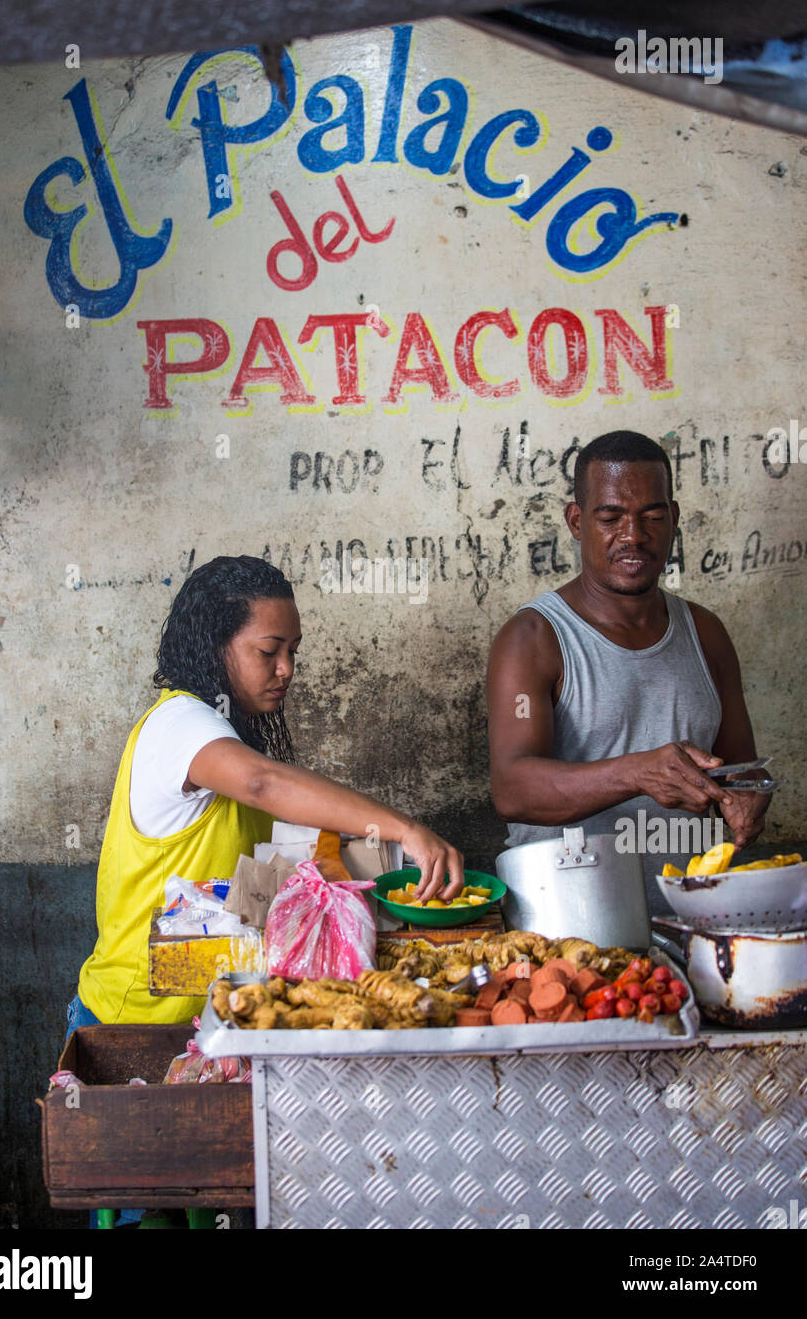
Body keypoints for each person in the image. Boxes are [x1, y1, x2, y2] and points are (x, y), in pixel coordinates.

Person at [68, 555, 464, 1035]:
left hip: (210, 1018)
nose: (286, 669)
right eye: (268, 651)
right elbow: (264, 783)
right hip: (133, 1020)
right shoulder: (180, 724)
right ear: (216, 647)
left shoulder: (225, 731)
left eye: (293, 651)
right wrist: (408, 829)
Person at [486, 430, 771, 908]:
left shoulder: (706, 633)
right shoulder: (533, 638)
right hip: (568, 917)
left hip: (691, 914)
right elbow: (513, 789)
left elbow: (740, 771)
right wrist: (637, 773)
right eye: (611, 517)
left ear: (674, 519)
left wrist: (748, 796)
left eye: (653, 517)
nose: (633, 536)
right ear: (576, 521)